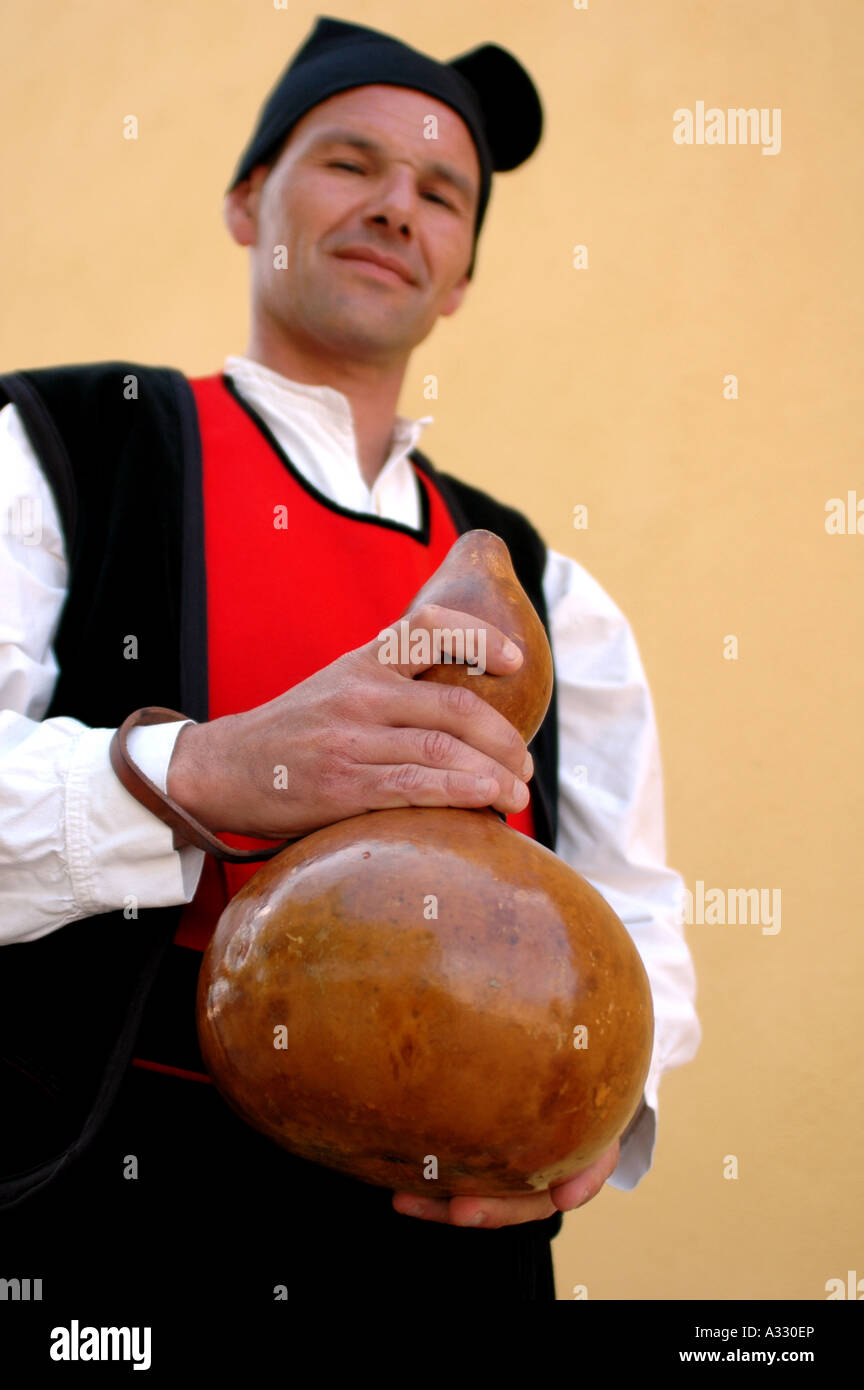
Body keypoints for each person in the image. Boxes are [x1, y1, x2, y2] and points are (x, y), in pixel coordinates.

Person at [0, 16, 700, 1306]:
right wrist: (197, 768)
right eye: (348, 163)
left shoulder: (551, 581)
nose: (395, 209)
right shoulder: (57, 447)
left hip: (449, 1239)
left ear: (462, 275)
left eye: (441, 195)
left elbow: (633, 901)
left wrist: (597, 1111)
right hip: (104, 1210)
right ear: (246, 199)